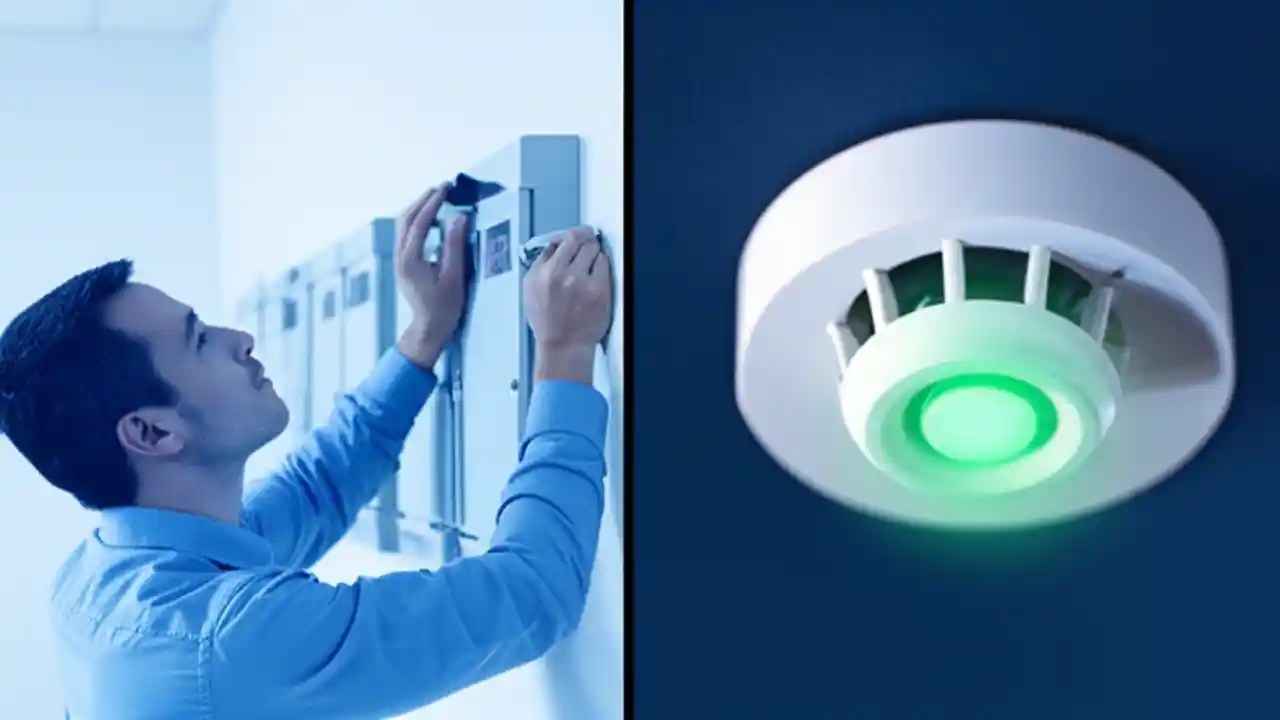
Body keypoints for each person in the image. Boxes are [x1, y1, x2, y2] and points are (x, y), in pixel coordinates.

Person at [0, 181, 614, 719]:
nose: (238, 338)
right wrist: (564, 352)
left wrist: (424, 335)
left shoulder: (101, 575)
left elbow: (314, 489)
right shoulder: (229, 642)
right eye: (199, 341)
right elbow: (534, 589)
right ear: (153, 434)